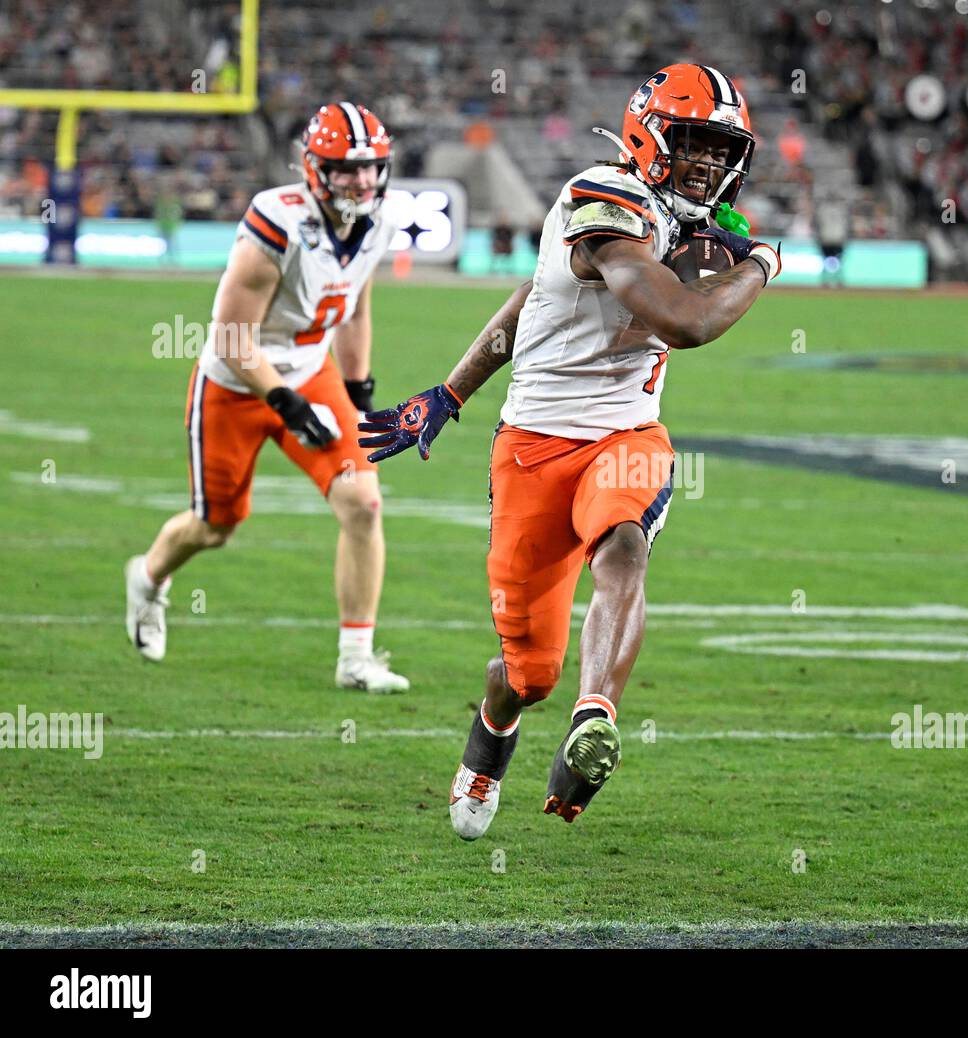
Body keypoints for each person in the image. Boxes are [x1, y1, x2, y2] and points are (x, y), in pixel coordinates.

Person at [360, 65, 782, 836]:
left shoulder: (690, 221)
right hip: (532, 450)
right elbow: (677, 321)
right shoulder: (603, 196)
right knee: (526, 673)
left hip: (627, 433)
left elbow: (549, 298)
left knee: (624, 545)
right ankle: (492, 739)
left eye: (724, 150)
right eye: (694, 143)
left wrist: (449, 393)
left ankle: (598, 717)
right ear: (647, 134)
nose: (711, 165)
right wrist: (761, 266)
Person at [124, 102, 410, 693]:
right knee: (216, 525)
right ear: (315, 168)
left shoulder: (378, 221)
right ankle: (149, 578)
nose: (362, 180)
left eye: (371, 167)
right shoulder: (276, 221)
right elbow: (232, 338)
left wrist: (357, 389)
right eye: (346, 168)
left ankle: (355, 656)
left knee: (364, 503)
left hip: (311, 372)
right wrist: (284, 401)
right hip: (236, 383)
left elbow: (355, 307)